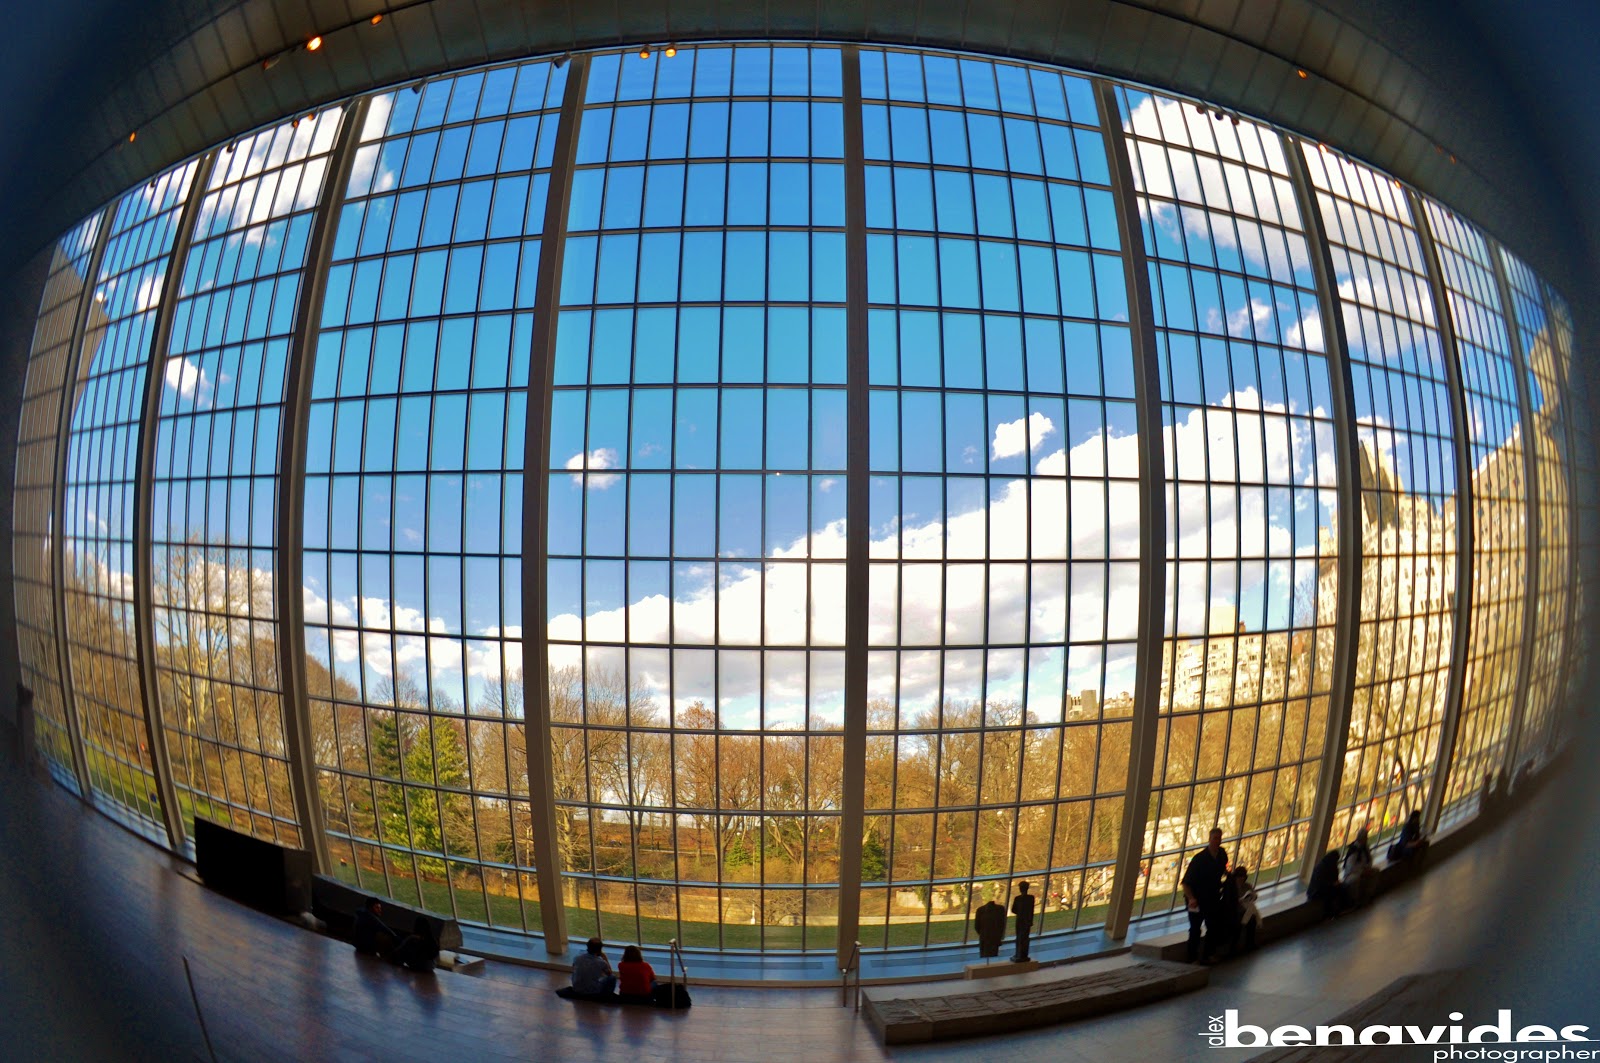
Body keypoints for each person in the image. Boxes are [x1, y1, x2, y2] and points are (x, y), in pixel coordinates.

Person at [1181, 828, 1229, 963]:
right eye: (1215, 838)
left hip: (1211, 898)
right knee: (1196, 929)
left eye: (1219, 838)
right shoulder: (1199, 859)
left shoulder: (1221, 855)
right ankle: (1192, 958)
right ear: (1210, 839)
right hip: (1198, 899)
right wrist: (1191, 899)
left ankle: (1207, 955)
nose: (1217, 841)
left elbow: (1221, 870)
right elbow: (1186, 883)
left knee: (1212, 927)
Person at [1342, 826, 1377, 906]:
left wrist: (1367, 868)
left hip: (1361, 870)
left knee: (1375, 872)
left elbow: (1369, 860)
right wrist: (1362, 871)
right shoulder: (1354, 850)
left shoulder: (1364, 848)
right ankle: (1355, 900)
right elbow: (1350, 867)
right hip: (1352, 873)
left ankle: (1368, 895)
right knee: (1355, 879)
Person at [1307, 849, 1346, 918]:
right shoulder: (1326, 867)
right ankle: (1335, 910)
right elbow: (1322, 884)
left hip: (1316, 890)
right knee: (1334, 892)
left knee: (1333, 892)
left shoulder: (1323, 865)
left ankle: (1331, 912)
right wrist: (1333, 884)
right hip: (1317, 891)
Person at [1232, 866, 1261, 953]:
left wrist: (1252, 897)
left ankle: (1250, 944)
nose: (1240, 879)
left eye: (1242, 877)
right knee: (1238, 923)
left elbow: (1253, 896)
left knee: (1252, 920)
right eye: (1239, 877)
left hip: (1245, 910)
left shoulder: (1247, 886)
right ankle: (1234, 946)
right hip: (1235, 911)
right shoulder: (1231, 888)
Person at [1010, 882, 1036, 962]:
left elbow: (1013, 910)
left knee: (1020, 937)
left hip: (1020, 920)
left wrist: (1020, 912)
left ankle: (1019, 954)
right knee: (1024, 938)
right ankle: (1023, 954)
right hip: (1027, 920)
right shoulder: (1031, 898)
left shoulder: (1018, 898)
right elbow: (1031, 910)